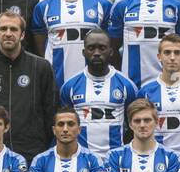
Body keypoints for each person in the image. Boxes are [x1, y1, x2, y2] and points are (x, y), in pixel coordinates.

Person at [0, 11, 58, 162]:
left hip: (33, 155)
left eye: (14, 29)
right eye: (3, 29)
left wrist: (43, 150)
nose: (8, 33)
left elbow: (51, 113)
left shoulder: (41, 67)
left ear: (22, 35)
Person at [30, 0, 112, 88]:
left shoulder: (102, 4)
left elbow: (110, 46)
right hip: (56, 86)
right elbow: (40, 51)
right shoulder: (44, 7)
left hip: (91, 86)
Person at [59, 30, 140, 160]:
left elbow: (133, 126)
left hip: (115, 160)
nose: (96, 53)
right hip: (81, 160)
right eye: (91, 48)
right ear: (84, 52)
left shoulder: (127, 86)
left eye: (102, 48)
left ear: (111, 51)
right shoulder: (70, 86)